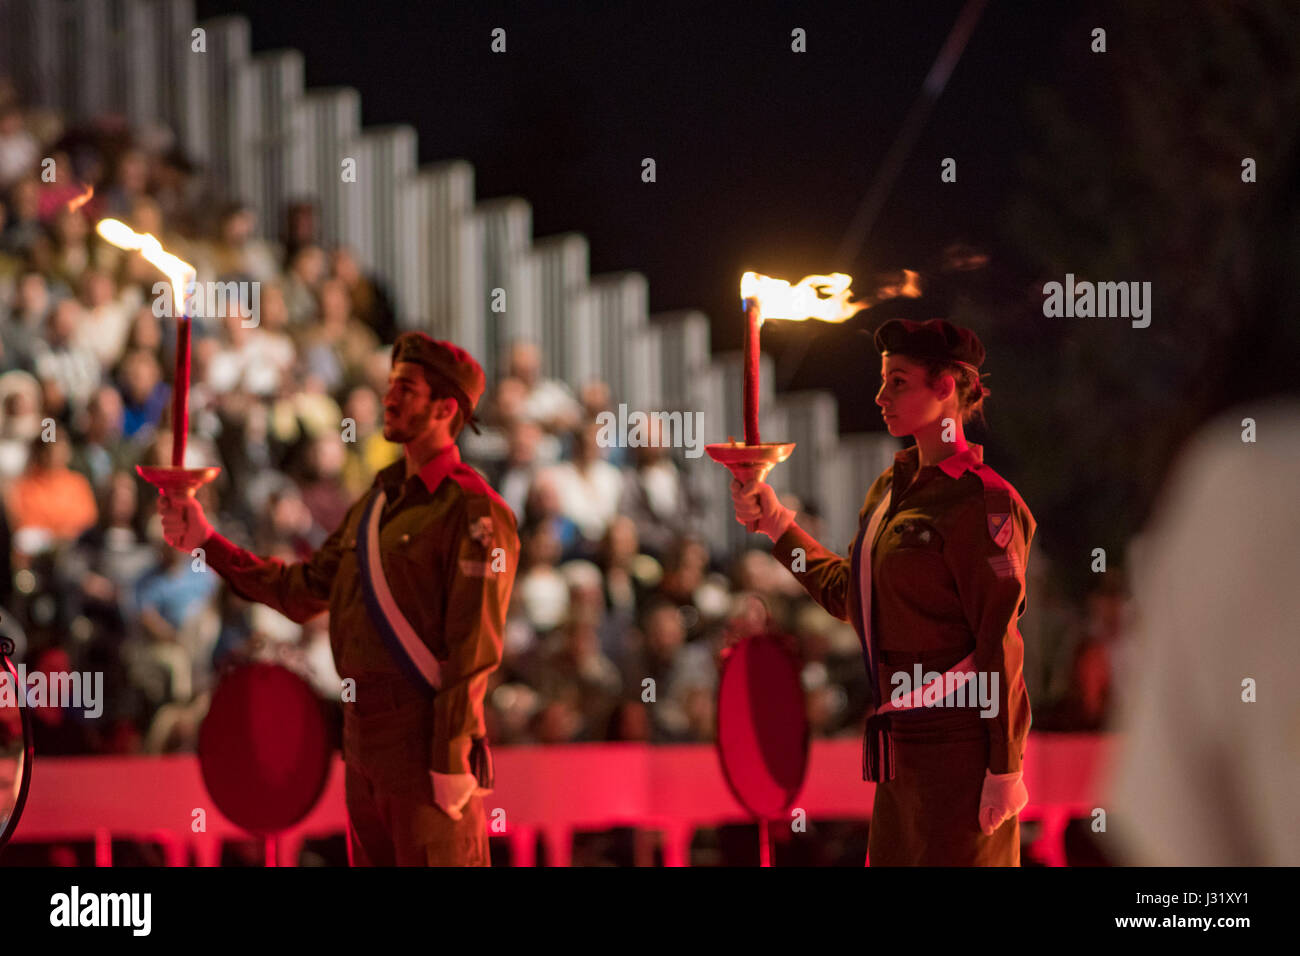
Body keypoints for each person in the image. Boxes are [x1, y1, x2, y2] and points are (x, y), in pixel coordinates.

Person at [157, 332, 520, 866]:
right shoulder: (372, 506)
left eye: (408, 390)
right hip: (363, 742)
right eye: (391, 385)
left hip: (426, 746)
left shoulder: (472, 511)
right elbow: (299, 591)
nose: (389, 399)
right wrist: (208, 543)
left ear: (447, 408)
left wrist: (450, 757)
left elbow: (475, 646)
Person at [732, 318, 1036, 865]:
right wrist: (778, 525)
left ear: (946, 387)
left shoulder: (983, 502)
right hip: (900, 747)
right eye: (882, 381)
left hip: (960, 748)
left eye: (898, 381)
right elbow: (852, 596)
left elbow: (999, 644)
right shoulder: (887, 491)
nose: (879, 397)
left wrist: (1005, 765)